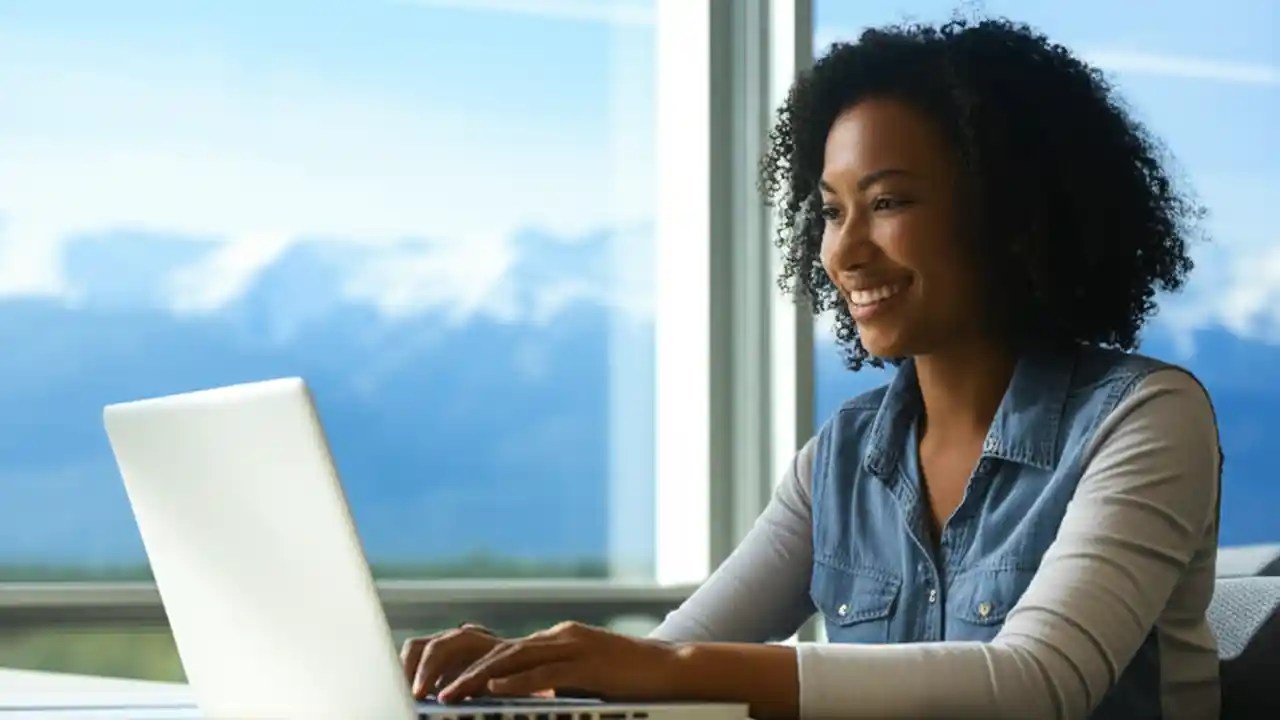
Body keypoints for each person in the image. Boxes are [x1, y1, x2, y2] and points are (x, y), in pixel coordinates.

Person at [400, 16, 1221, 720]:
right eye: (830, 211)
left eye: (889, 202)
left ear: (1013, 215)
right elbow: (669, 658)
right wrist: (518, 671)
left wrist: (660, 669)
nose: (846, 249)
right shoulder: (843, 456)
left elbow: (1036, 684)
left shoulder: (1146, 418)